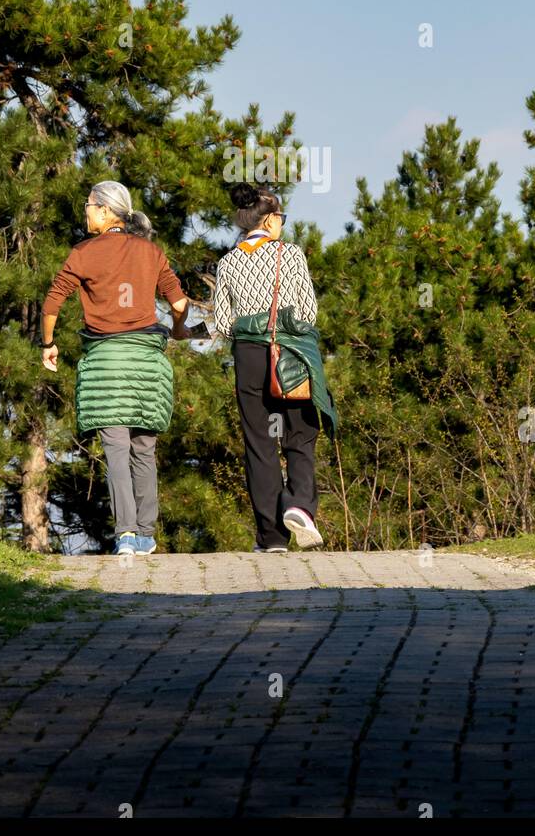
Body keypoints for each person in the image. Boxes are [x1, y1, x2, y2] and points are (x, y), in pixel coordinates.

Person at [40, 180, 190, 556]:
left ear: (106, 211)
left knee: (116, 450)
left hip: (106, 362)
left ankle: (124, 534)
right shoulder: (150, 252)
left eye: (89, 205)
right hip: (146, 362)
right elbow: (179, 302)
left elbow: (52, 304)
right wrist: (177, 329)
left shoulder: (84, 253)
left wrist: (49, 345)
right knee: (144, 448)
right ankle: (146, 535)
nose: (85, 211)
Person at [213, 181, 336, 553]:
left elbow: (221, 322)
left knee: (259, 443)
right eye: (281, 216)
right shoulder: (291, 254)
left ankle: (271, 536)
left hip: (249, 357)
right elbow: (308, 310)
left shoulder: (228, 261)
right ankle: (299, 504)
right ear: (268, 220)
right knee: (299, 433)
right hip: (291, 352)